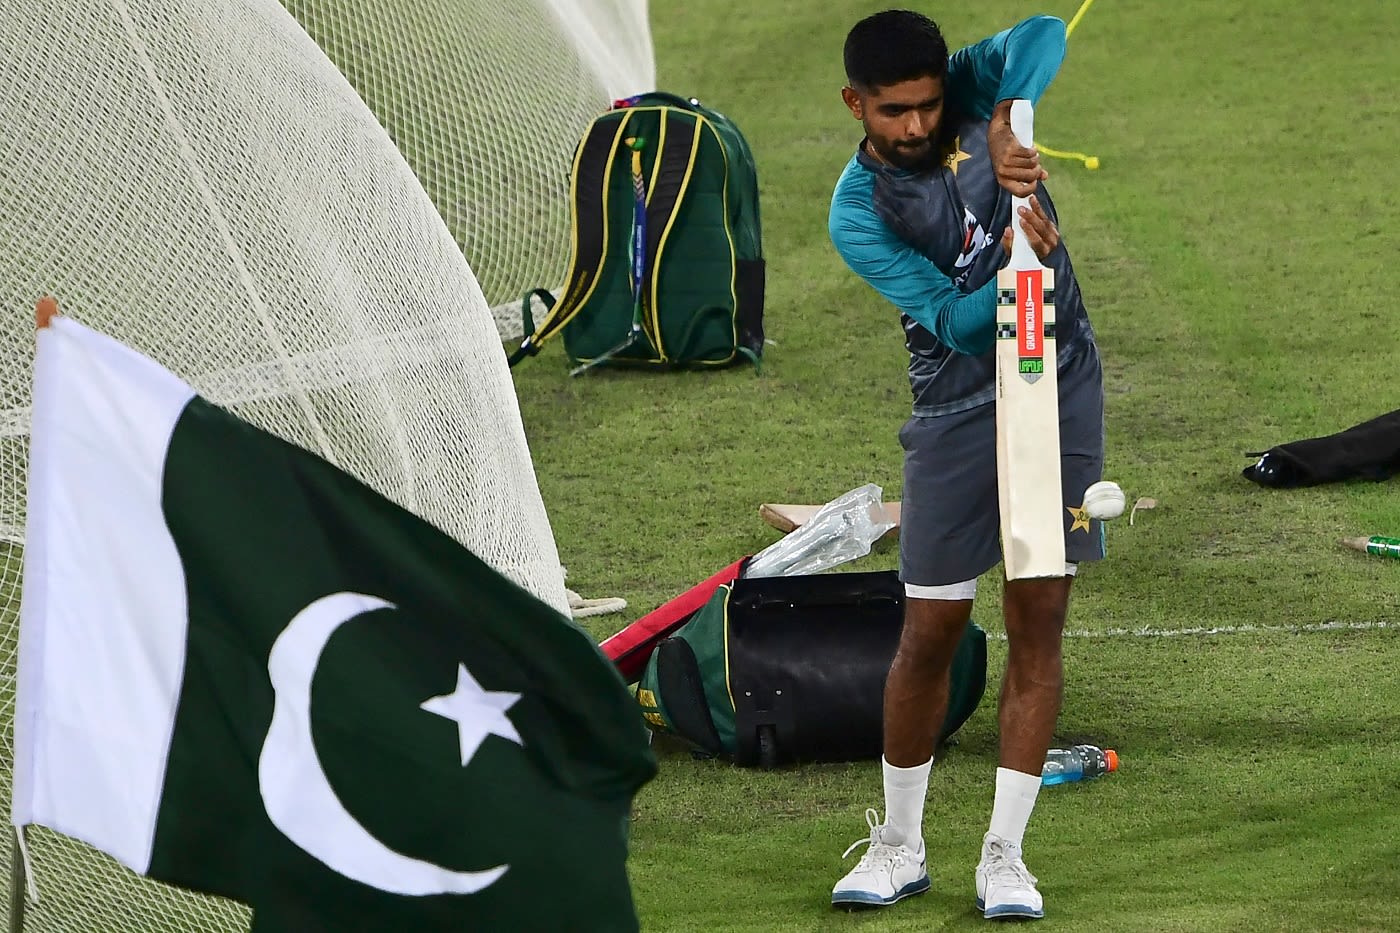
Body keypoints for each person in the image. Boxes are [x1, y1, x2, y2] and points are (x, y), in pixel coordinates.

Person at [826, 10, 1106, 921]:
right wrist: (1021, 270)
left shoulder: (976, 92)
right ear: (854, 103)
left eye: (929, 105)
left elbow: (1043, 33)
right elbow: (950, 321)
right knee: (932, 627)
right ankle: (900, 844)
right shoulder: (855, 212)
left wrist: (1003, 115)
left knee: (1040, 609)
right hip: (953, 405)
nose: (914, 127)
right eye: (891, 112)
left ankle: (1004, 854)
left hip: (1056, 384)